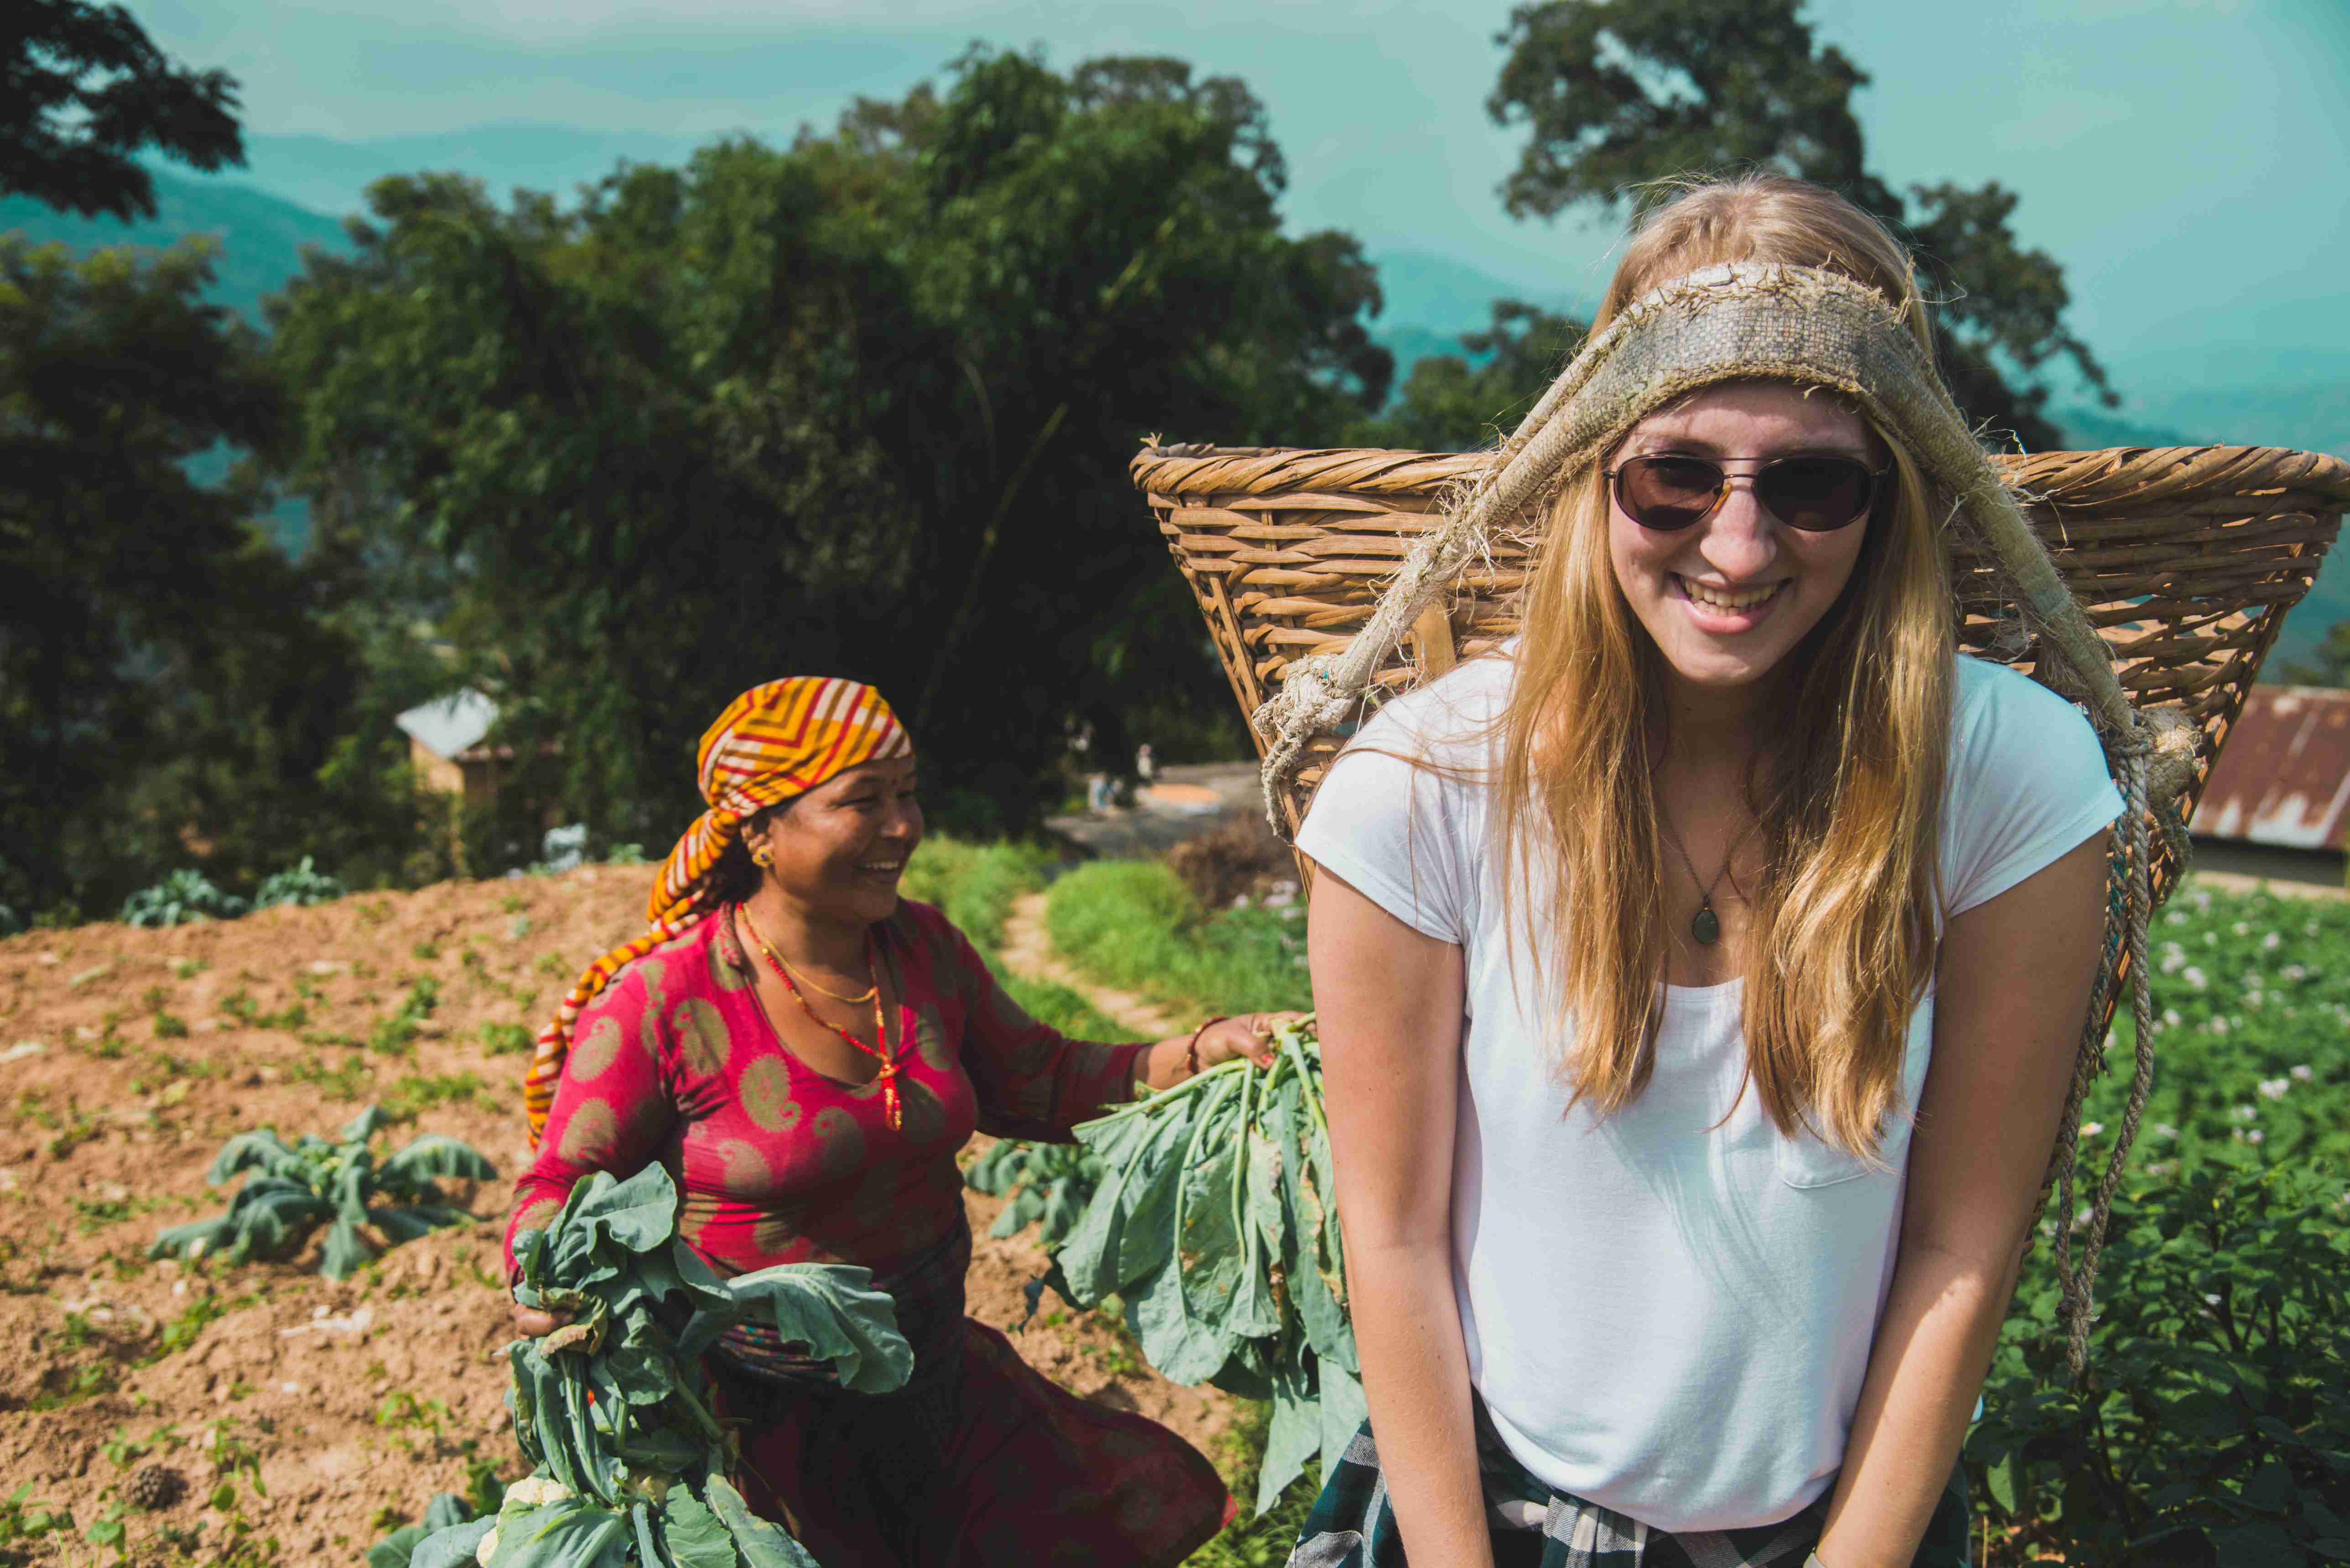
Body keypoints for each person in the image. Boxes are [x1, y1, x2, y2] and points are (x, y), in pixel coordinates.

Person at [1289, 175, 2124, 1568]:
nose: (1737, 547)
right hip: (1484, 1513)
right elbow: (1393, 1238)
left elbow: (1964, 1246)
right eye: (1675, 474)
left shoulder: (2007, 775)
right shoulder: (1424, 785)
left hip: (1845, 1525)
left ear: (1890, 498)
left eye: (1812, 483)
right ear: (1595, 466)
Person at [507, 675, 1296, 1567]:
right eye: (863, 801)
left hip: (936, 1387)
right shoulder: (665, 1001)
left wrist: (1201, 1051)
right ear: (760, 831)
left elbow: (1044, 1079)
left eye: (907, 794)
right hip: (757, 1433)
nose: (902, 826)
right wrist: (546, 1278)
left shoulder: (922, 952)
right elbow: (559, 1181)